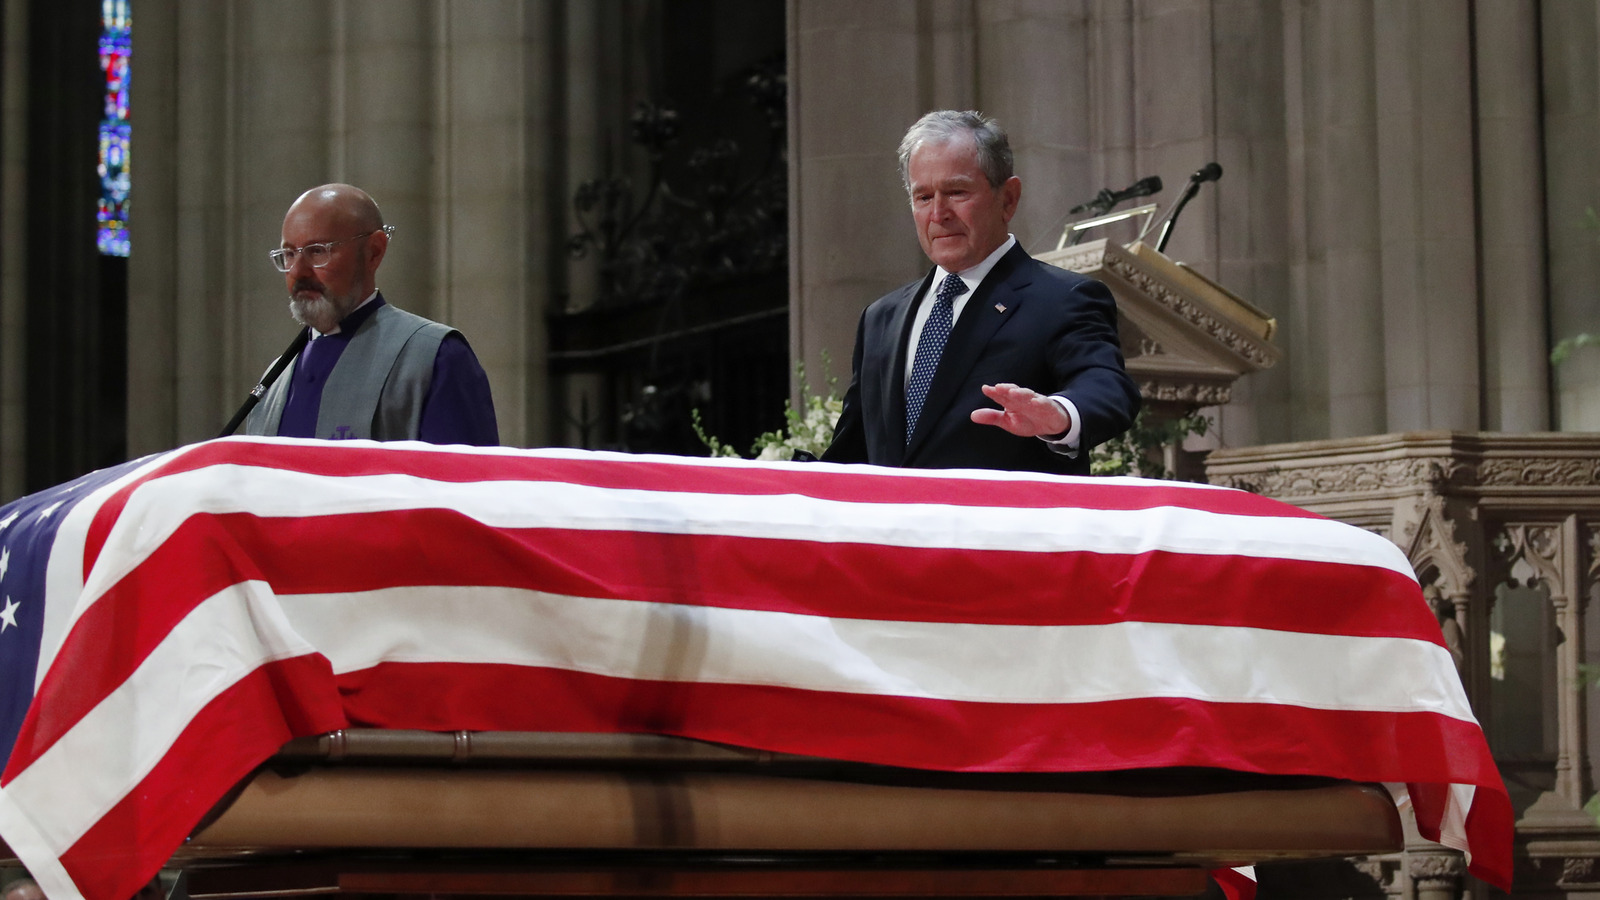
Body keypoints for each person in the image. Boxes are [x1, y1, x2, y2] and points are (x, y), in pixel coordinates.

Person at [822, 111, 1138, 474]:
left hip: (1001, 526)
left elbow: (1107, 388)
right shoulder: (881, 317)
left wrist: (1058, 415)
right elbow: (852, 451)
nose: (938, 213)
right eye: (923, 197)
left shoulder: (1064, 299)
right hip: (896, 528)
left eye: (956, 192)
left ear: (1008, 199)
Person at [244, 184, 499, 445]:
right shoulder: (274, 381)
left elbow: (465, 480)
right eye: (288, 254)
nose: (298, 272)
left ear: (374, 251)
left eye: (318, 251)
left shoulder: (435, 357)